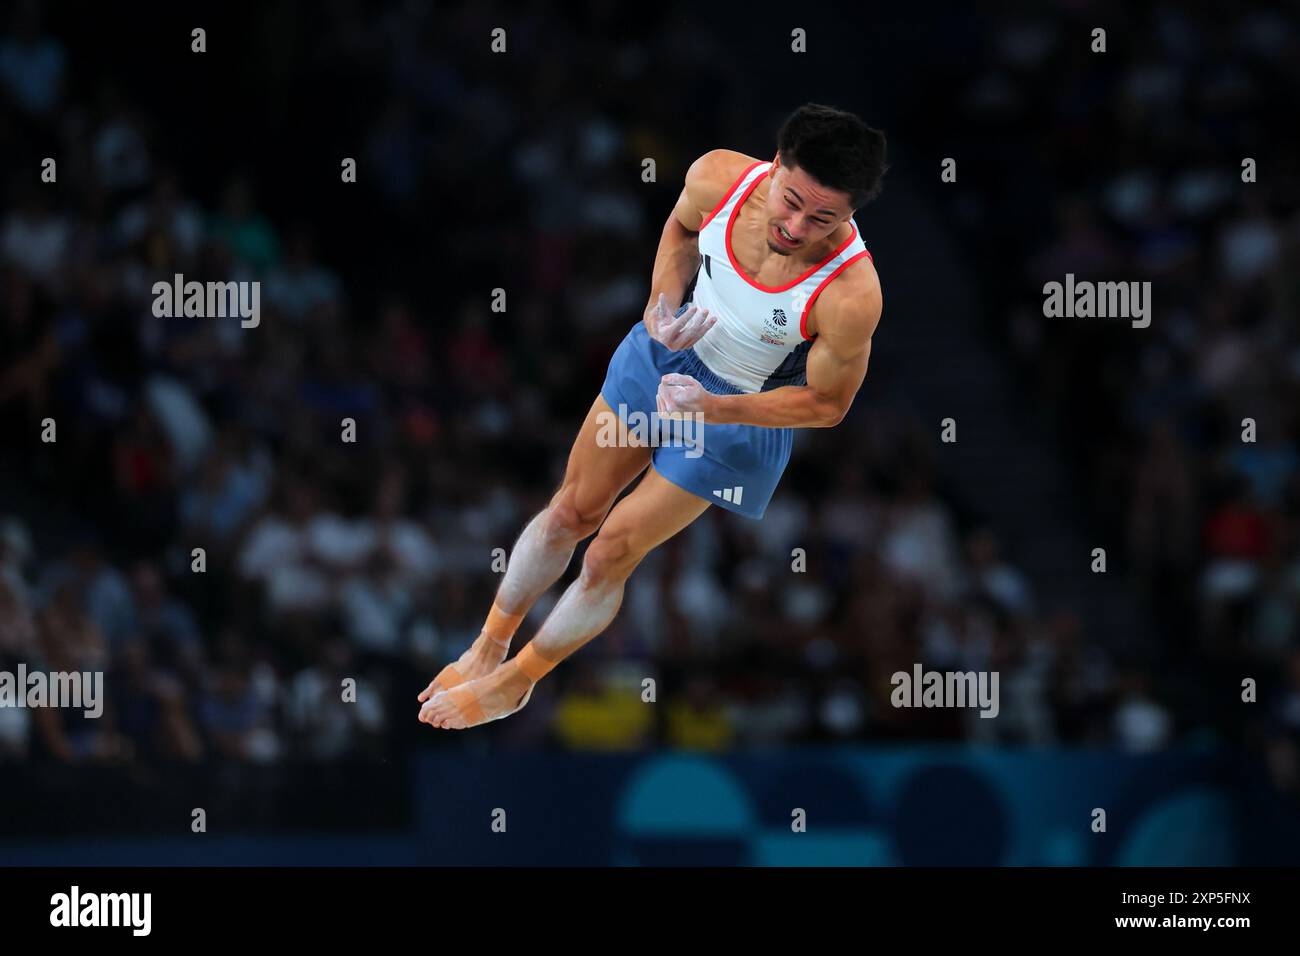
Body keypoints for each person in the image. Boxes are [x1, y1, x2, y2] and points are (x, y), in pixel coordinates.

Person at [419, 103, 886, 729]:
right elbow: (681, 232)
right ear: (776, 165)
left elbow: (827, 406)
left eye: (823, 218)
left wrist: (713, 408)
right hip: (666, 353)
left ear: (849, 215)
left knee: (609, 552)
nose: (797, 226)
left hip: (741, 412)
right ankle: (488, 644)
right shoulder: (718, 177)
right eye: (792, 201)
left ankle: (516, 681)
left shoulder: (851, 295)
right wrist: (659, 307)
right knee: (572, 511)